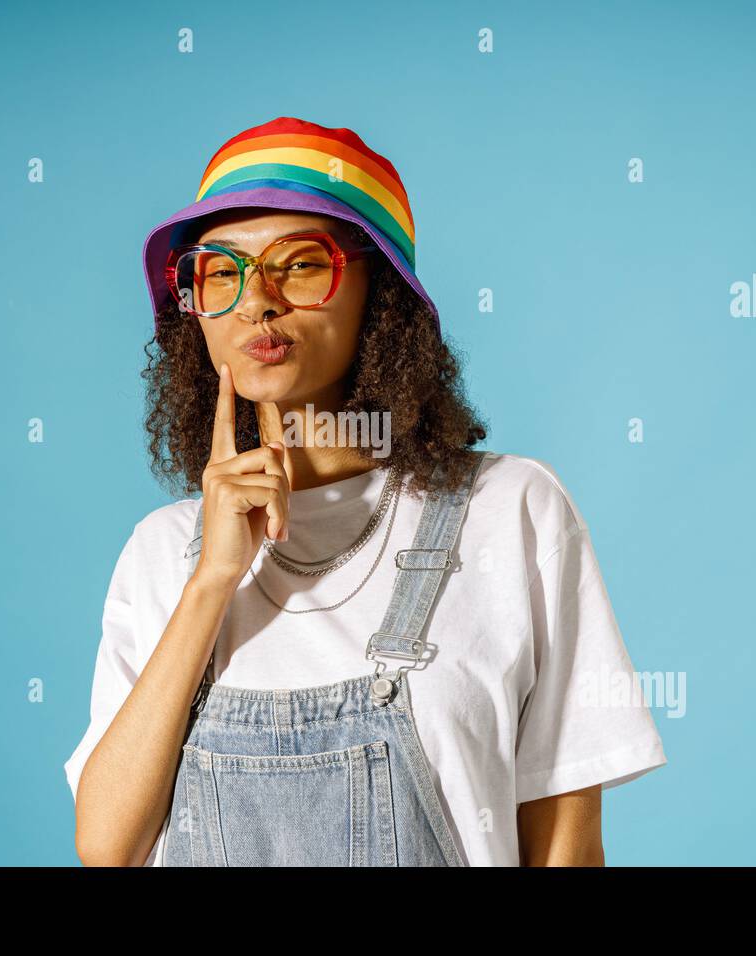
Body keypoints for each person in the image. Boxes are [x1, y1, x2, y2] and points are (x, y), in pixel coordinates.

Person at [65, 116, 666, 866]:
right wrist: (210, 584)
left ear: (378, 295)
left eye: (301, 264)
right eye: (221, 271)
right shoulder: (162, 554)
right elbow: (105, 846)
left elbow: (568, 849)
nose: (258, 300)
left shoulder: (511, 513)